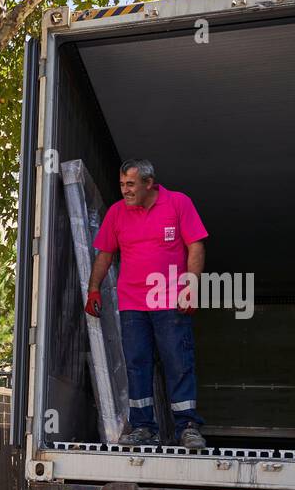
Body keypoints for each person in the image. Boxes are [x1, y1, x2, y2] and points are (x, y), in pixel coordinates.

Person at [87, 158, 209, 449]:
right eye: (121, 184)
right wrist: (94, 289)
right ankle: (143, 427)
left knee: (178, 363)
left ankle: (188, 427)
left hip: (169, 301)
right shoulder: (117, 213)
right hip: (133, 305)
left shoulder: (178, 204)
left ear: (149, 183)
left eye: (130, 184)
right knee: (136, 364)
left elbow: (196, 246)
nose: (125, 191)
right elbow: (104, 255)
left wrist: (191, 287)